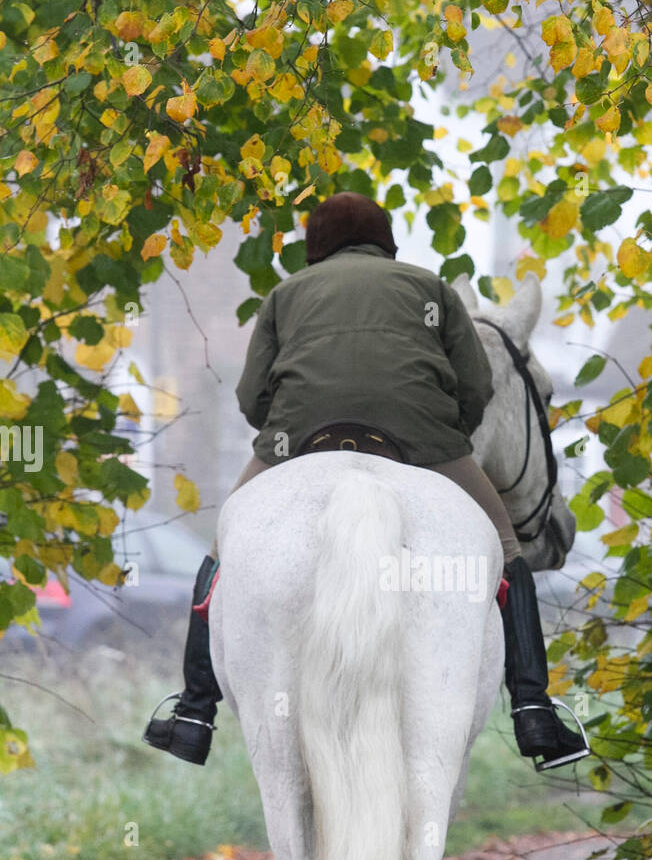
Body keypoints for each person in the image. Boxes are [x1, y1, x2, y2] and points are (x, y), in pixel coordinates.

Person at [143, 193, 587, 770]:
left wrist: (286, 432)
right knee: (506, 553)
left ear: (316, 246)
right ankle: (533, 710)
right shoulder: (432, 289)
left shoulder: (284, 295)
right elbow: (477, 388)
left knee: (222, 550)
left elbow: (251, 397)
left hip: (299, 439)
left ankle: (194, 713)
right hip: (421, 439)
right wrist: (445, 437)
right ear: (386, 240)